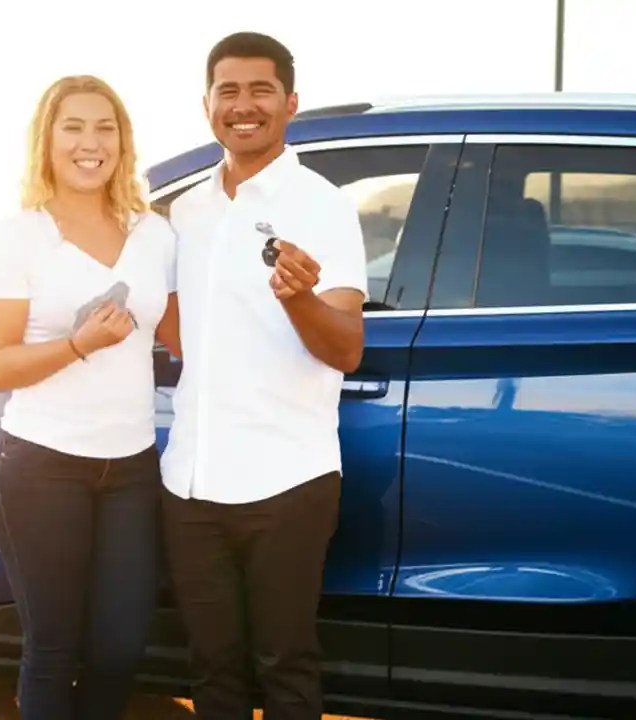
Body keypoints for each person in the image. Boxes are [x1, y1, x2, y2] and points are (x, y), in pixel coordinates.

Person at [158, 31, 368, 719]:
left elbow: (346, 349)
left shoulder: (323, 205)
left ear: (290, 103)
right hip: (191, 481)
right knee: (212, 672)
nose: (243, 105)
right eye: (229, 90)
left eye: (260, 90)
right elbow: (180, 334)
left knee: (285, 668)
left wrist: (299, 297)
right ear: (207, 104)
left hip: (288, 480)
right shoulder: (185, 212)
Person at [0, 74, 181, 720]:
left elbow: (180, 337)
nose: (91, 143)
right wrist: (79, 343)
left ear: (124, 142)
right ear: (48, 141)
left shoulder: (154, 235)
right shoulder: (18, 236)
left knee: (119, 648)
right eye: (74, 127)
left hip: (132, 468)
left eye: (105, 128)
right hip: (42, 465)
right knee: (53, 650)